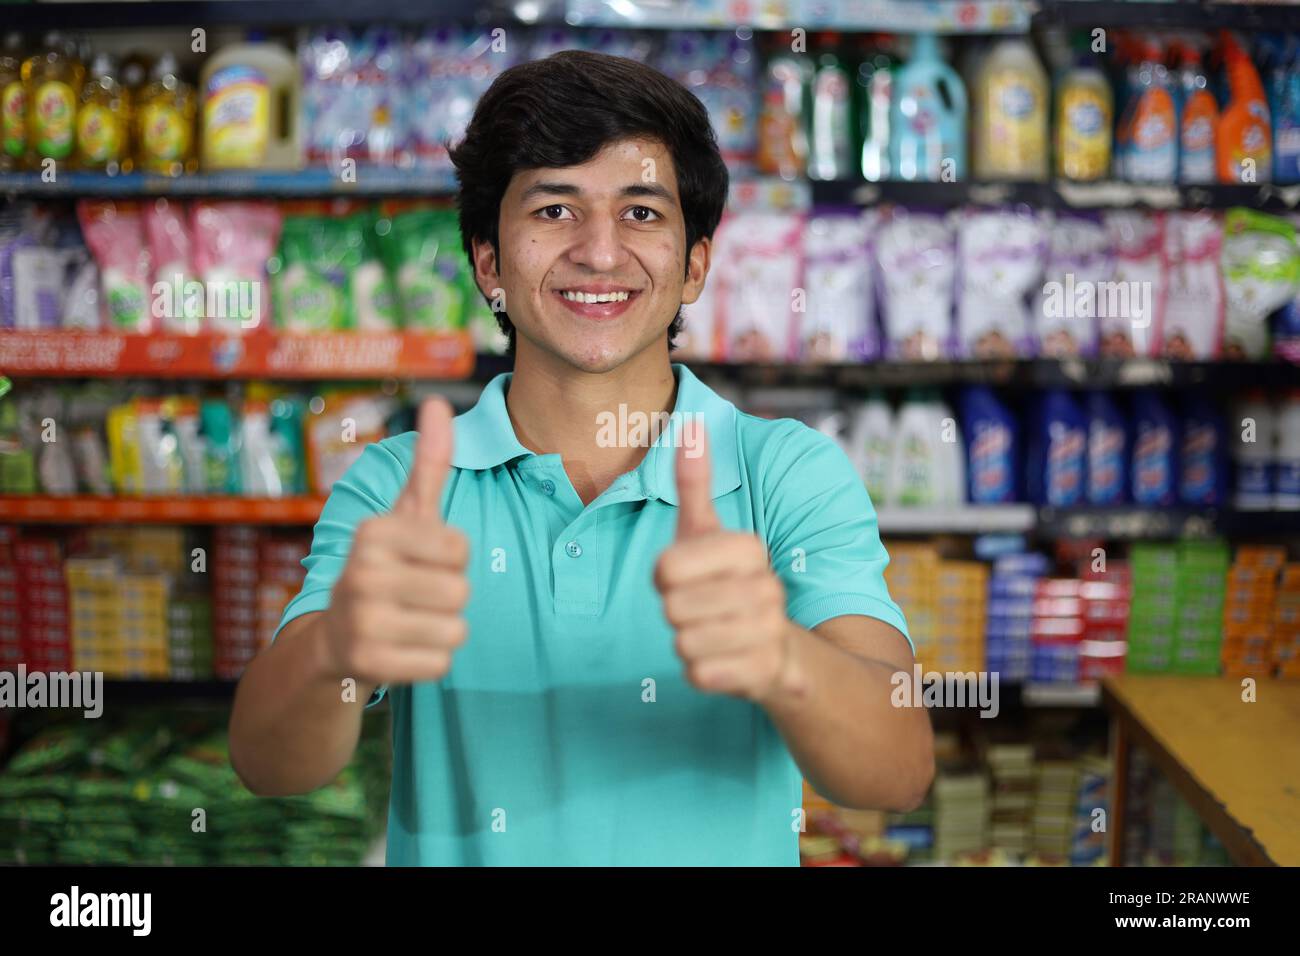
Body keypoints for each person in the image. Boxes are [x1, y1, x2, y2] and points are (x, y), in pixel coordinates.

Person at [229, 49, 933, 866]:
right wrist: (333, 650)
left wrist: (781, 656)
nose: (599, 253)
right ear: (488, 261)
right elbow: (269, 765)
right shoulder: (397, 486)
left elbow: (897, 771)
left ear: (695, 264)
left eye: (641, 214)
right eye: (554, 210)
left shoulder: (785, 473)